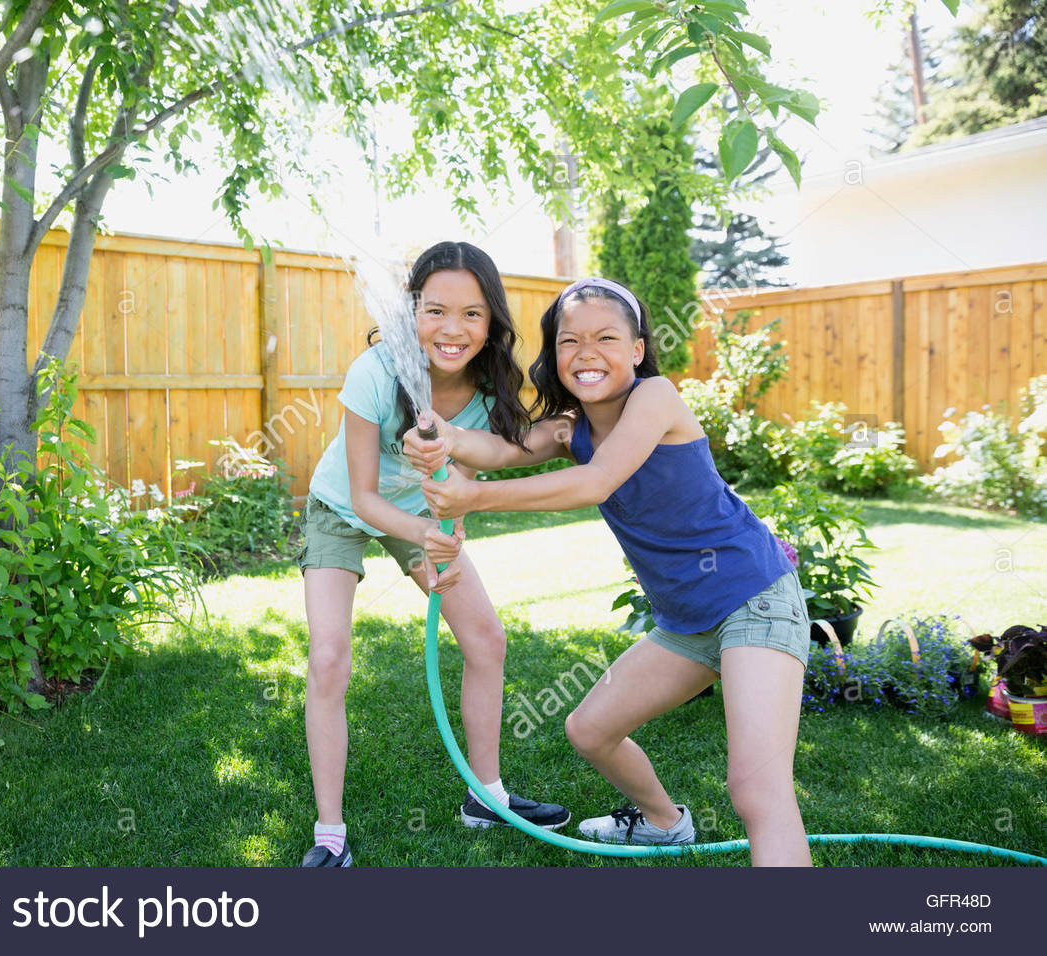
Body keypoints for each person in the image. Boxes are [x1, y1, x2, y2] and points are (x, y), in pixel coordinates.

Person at [404, 277, 813, 867]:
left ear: (639, 348)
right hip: (687, 623)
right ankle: (664, 824)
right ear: (554, 354)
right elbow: (497, 449)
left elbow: (596, 482)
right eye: (569, 341)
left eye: (606, 338)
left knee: (756, 790)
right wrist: (446, 437)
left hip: (754, 599)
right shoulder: (573, 428)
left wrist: (473, 499)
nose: (586, 353)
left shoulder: (656, 399)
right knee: (590, 730)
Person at [296, 241, 571, 867]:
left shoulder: (491, 382)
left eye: (473, 314)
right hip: (342, 509)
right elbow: (364, 496)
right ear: (411, 311)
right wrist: (427, 533)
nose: (453, 330)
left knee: (485, 639)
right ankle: (330, 835)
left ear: (492, 321)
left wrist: (455, 512)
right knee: (329, 657)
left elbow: (491, 458)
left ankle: (487, 796)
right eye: (437, 311)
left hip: (421, 514)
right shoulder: (376, 372)